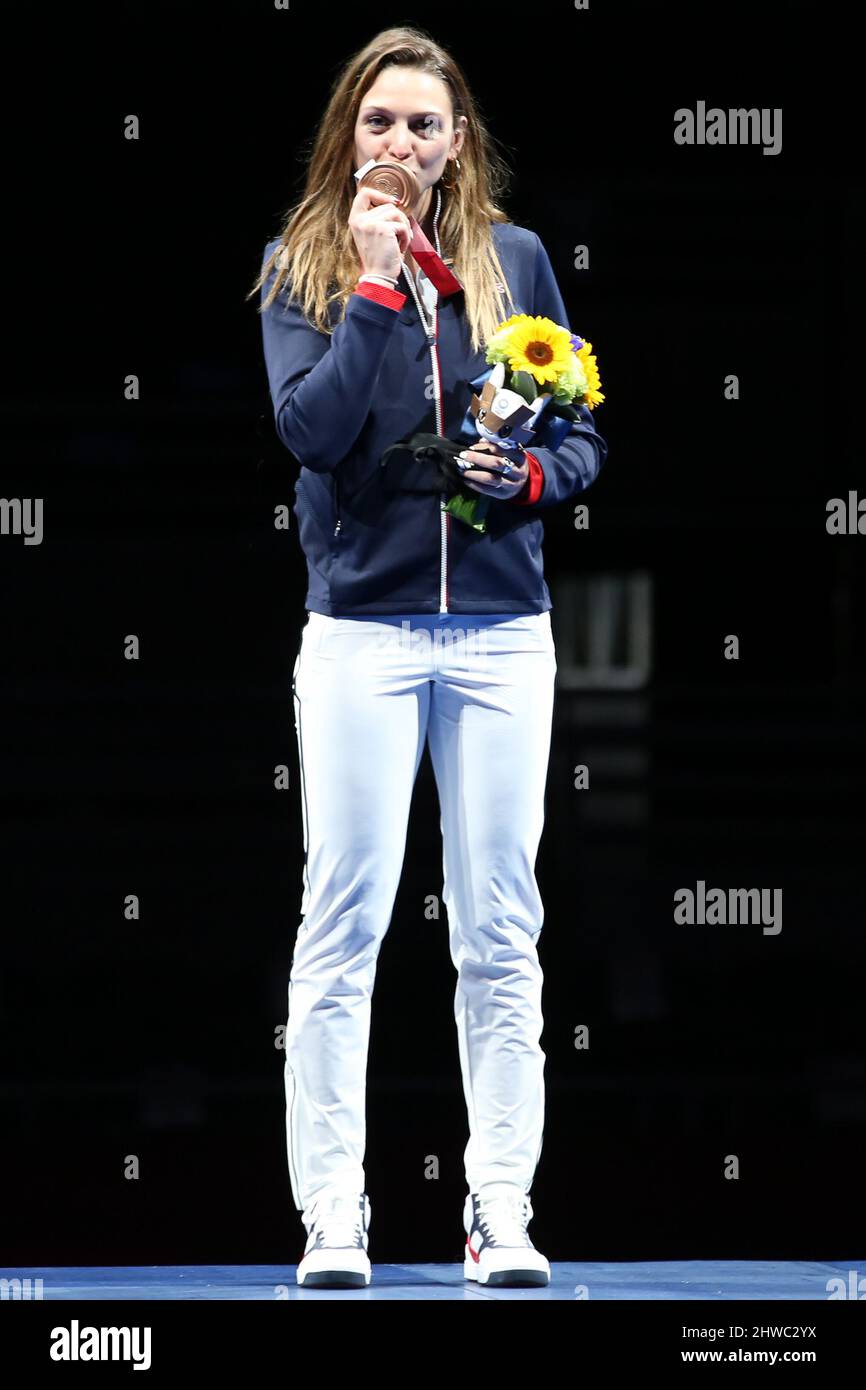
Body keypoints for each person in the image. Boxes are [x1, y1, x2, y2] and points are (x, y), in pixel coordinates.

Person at [251, 26, 608, 1289]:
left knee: (501, 931)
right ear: (348, 135)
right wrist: (373, 284)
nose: (399, 145)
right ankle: (333, 1213)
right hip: (360, 637)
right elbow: (312, 431)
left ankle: (497, 1211)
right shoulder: (299, 265)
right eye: (378, 123)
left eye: (423, 125)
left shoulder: (513, 262)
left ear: (458, 143)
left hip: (503, 638)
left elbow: (579, 442)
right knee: (341, 926)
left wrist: (526, 475)